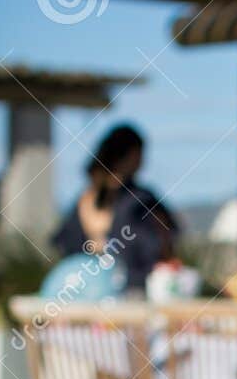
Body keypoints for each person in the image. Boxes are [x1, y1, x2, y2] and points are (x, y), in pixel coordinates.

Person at [53, 124, 179, 292]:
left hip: (82, 291)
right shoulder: (141, 200)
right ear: (134, 154)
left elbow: (64, 246)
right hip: (130, 290)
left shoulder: (84, 198)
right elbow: (163, 244)